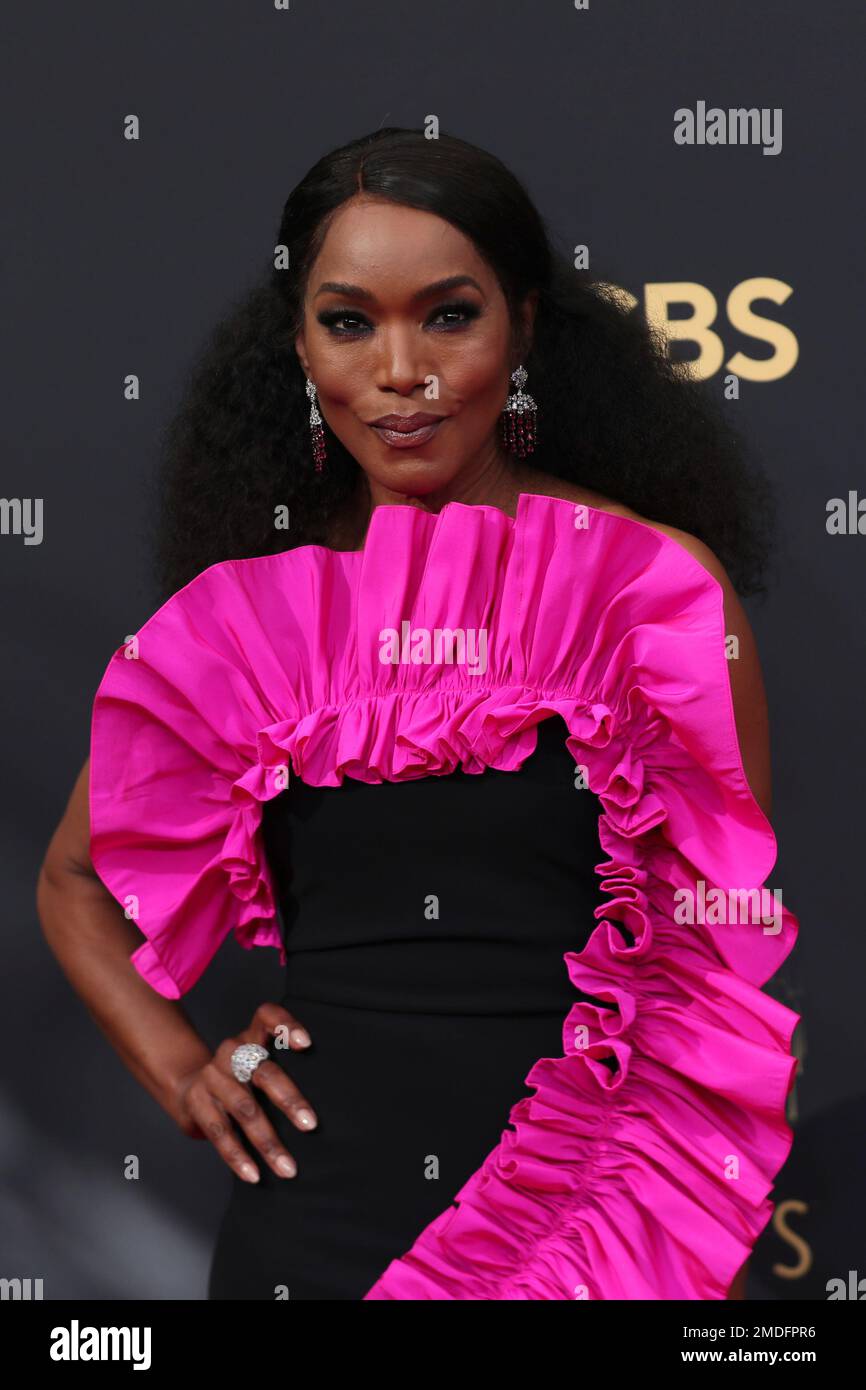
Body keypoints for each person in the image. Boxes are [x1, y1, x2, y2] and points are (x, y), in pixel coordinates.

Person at [37, 127, 799, 1300]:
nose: (403, 370)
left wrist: (686, 1237)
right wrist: (187, 1072)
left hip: (594, 1220)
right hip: (317, 1231)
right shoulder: (245, 620)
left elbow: (715, 951)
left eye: (448, 315)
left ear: (525, 326)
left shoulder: (648, 587)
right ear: (297, 346)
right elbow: (75, 881)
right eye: (348, 322)